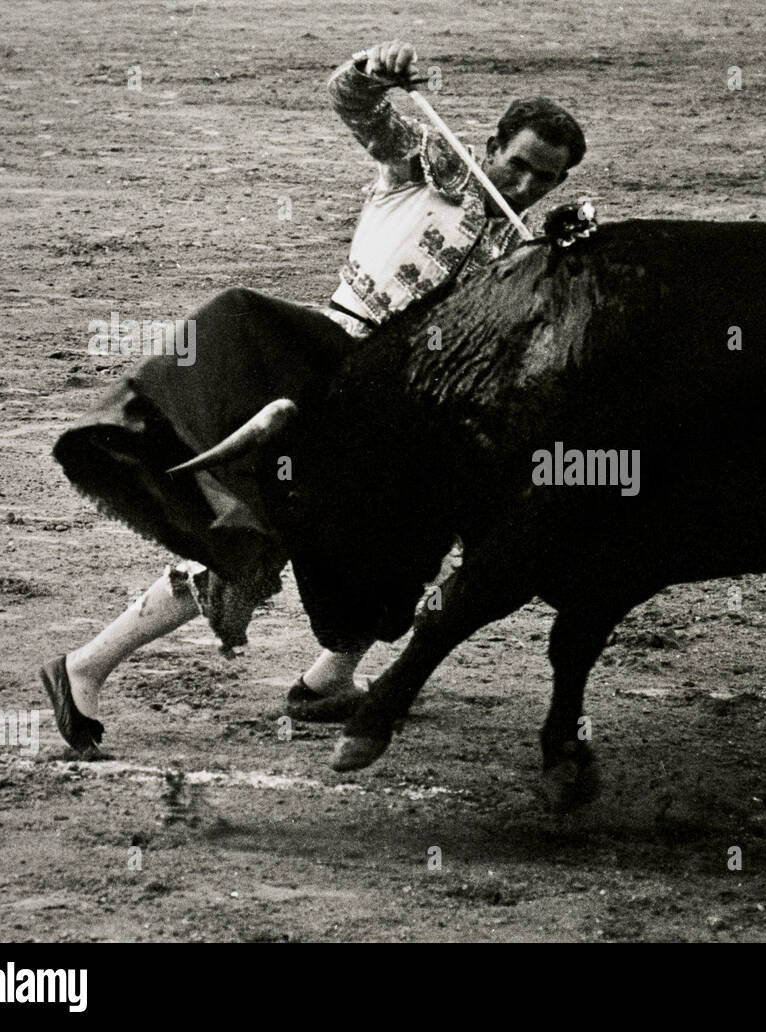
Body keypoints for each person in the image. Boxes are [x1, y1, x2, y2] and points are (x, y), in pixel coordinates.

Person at [40, 40, 586, 753]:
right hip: (320, 370)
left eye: (541, 180)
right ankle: (84, 666)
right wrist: (370, 71)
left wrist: (567, 256)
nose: (521, 185)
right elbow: (355, 106)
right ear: (489, 144)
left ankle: (332, 677)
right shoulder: (426, 167)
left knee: (407, 537)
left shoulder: (519, 252)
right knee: (259, 531)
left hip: (404, 409)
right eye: (514, 163)